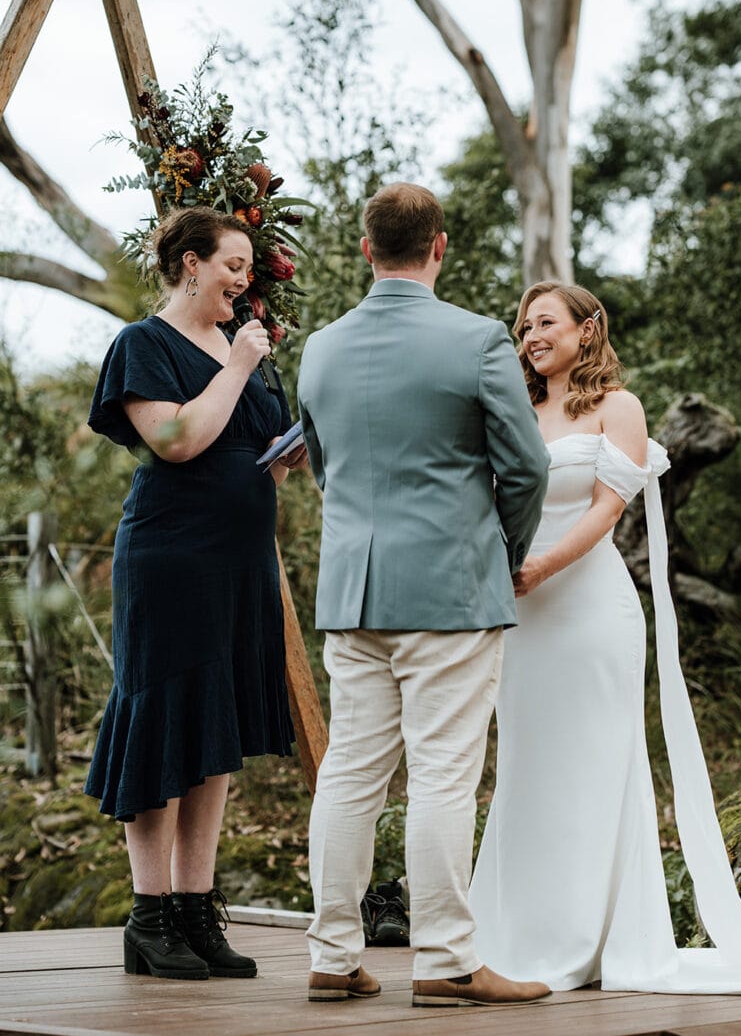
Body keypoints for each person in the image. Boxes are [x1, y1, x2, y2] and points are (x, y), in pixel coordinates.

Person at [469, 281, 741, 994]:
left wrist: (542, 566)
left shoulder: (619, 407)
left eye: (545, 322)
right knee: (527, 764)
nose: (530, 336)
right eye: (524, 327)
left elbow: (607, 509)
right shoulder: (514, 406)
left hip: (587, 612)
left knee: (593, 765)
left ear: (588, 329)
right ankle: (516, 932)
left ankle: (596, 936)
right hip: (522, 617)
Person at [297, 182, 551, 1007]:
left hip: (353, 592)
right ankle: (445, 961)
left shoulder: (321, 347)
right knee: (442, 776)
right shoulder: (477, 338)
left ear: (367, 248)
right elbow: (526, 468)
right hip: (450, 589)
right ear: (438, 247)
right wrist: (501, 549)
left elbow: (328, 469)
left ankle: (333, 956)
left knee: (348, 774)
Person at [85, 206, 305, 981]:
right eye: (233, 266)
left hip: (242, 559)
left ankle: (195, 910)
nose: (245, 281)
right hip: (171, 558)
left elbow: (255, 457)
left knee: (214, 730)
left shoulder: (238, 343)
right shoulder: (143, 344)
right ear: (189, 263)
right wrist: (241, 365)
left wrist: (287, 452)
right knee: (164, 722)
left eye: (250, 268)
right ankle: (148, 919)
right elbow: (176, 439)